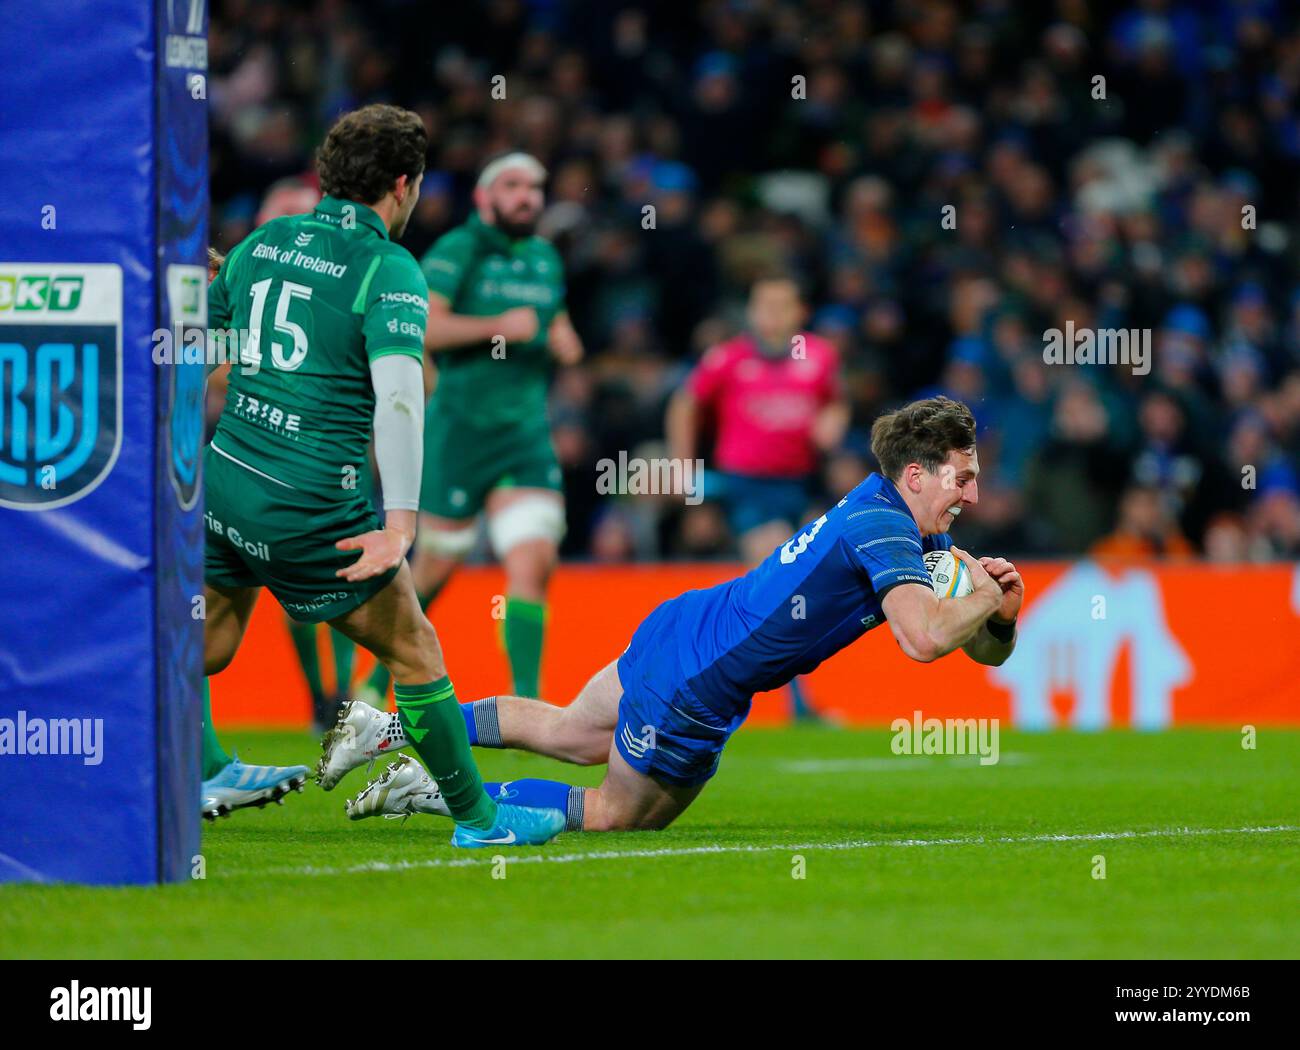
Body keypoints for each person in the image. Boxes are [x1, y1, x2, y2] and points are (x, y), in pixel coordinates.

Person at [332, 397, 1024, 832]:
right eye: (961, 476)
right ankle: (429, 791)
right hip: (702, 680)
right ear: (916, 475)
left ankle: (389, 727)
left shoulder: (905, 523)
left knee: (573, 730)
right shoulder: (885, 530)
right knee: (615, 816)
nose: (971, 489)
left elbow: (975, 646)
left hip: (688, 625)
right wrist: (981, 598)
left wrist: (1001, 618)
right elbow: (925, 640)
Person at [203, 104, 563, 847]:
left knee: (202, 645)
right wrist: (400, 525)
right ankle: (480, 822)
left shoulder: (264, 240)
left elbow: (197, 351)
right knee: (416, 650)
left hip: (226, 477)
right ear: (403, 184)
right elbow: (400, 396)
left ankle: (140, 758)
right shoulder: (387, 265)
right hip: (309, 502)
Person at [355, 151, 582, 707]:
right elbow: (423, 324)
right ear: (484, 197)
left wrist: (565, 342)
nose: (526, 195)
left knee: (535, 560)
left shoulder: (546, 258)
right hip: (459, 432)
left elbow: (555, 323)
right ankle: (372, 681)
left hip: (524, 433)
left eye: (535, 186)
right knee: (436, 568)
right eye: (512, 185)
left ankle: (528, 701)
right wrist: (498, 327)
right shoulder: (459, 249)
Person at [666, 273, 848, 721]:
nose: (771, 315)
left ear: (798, 312)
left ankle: (732, 689)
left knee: (789, 595)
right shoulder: (728, 358)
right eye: (762, 305)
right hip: (746, 487)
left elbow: (836, 401)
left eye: (781, 305)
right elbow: (684, 403)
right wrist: (681, 464)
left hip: (799, 485)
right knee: (786, 590)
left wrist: (833, 421)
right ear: (750, 311)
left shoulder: (818, 356)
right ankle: (796, 705)